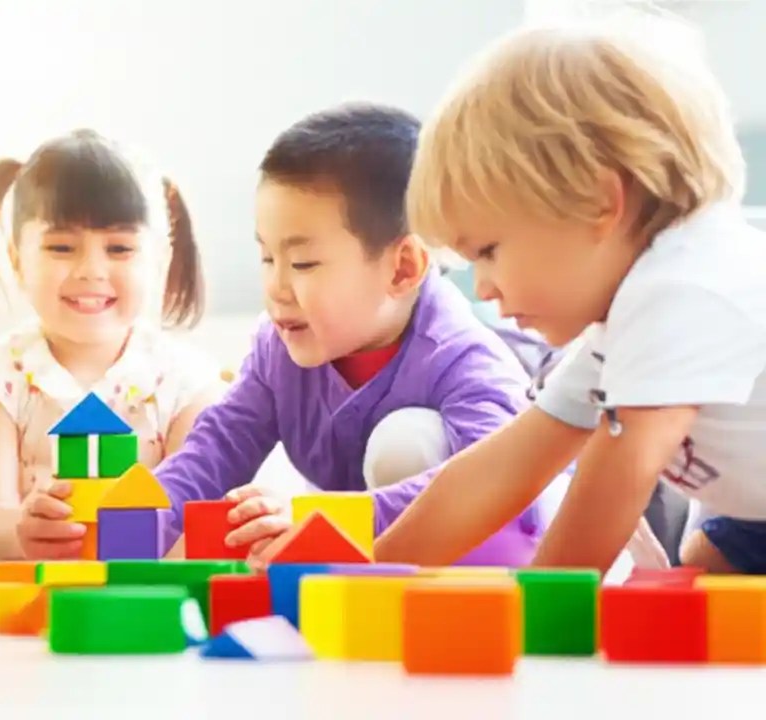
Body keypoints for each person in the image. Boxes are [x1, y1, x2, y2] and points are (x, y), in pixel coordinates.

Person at [373, 15, 766, 574]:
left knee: (700, 587)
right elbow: (506, 467)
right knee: (702, 574)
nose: (482, 286)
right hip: (753, 521)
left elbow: (621, 469)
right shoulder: (626, 325)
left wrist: (538, 610)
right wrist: (373, 575)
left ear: (599, 203)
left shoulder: (686, 286)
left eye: (488, 250)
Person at [151, 104, 543, 567]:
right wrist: (125, 521)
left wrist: (319, 517)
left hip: (495, 561)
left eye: (302, 264)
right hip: (361, 561)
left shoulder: (464, 359)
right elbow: (216, 448)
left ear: (402, 268)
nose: (276, 288)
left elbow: (501, 489)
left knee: (405, 443)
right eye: (267, 259)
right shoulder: (277, 349)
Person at [0, 130, 224, 563]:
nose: (91, 270)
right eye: (61, 247)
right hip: (36, 601)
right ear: (18, 259)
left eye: (119, 248)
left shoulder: (188, 384)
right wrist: (19, 530)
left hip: (143, 601)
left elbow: (196, 524)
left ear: (159, 260)